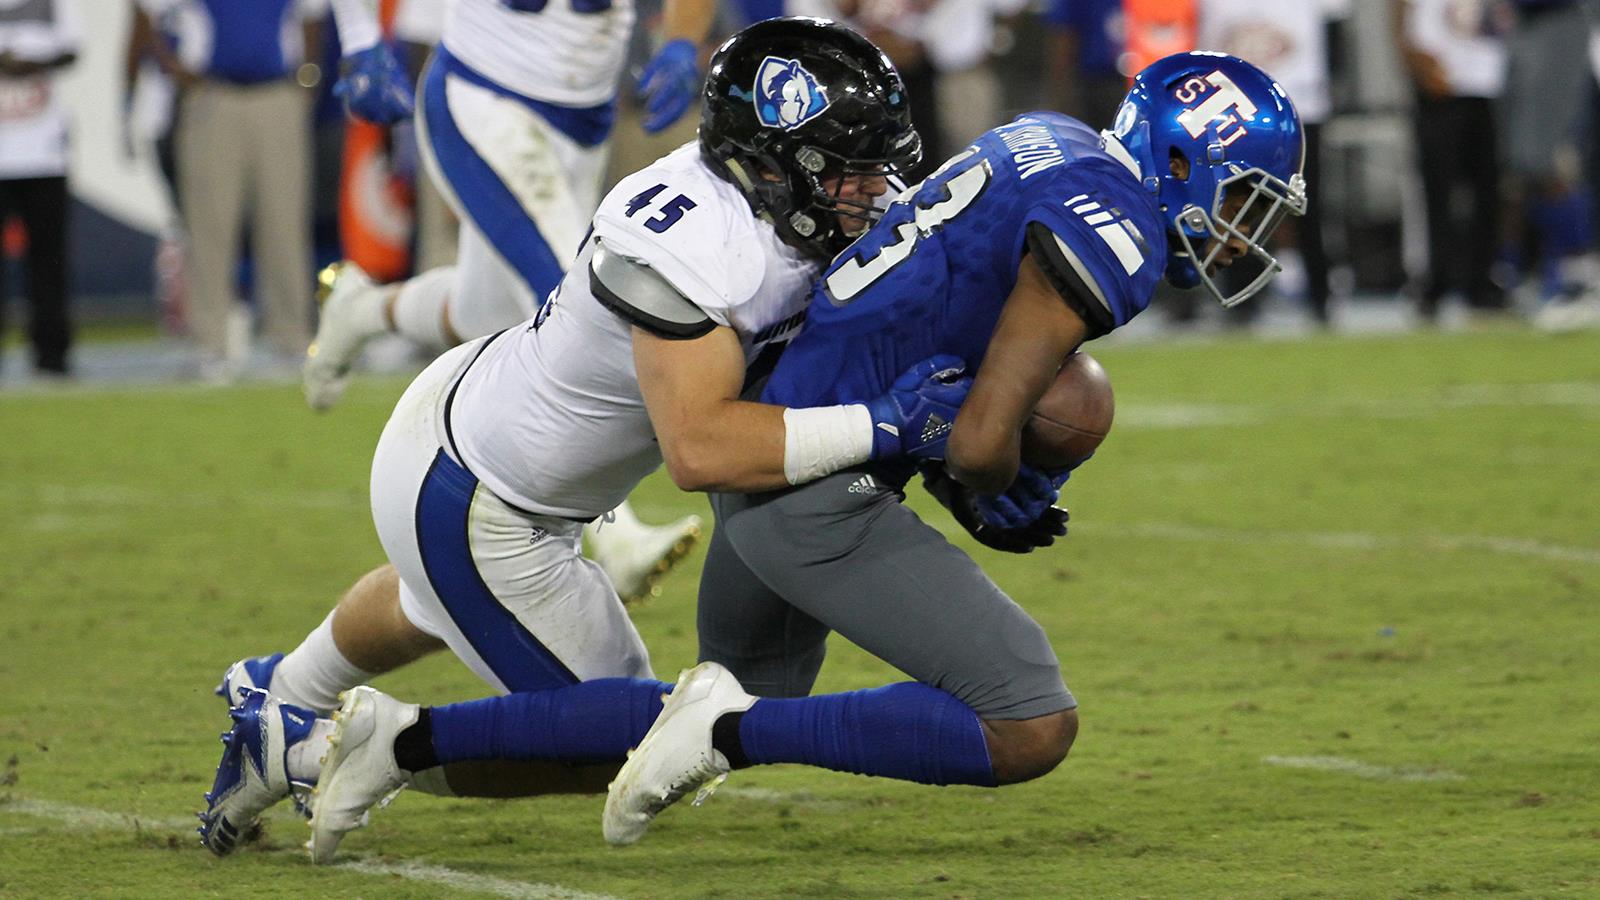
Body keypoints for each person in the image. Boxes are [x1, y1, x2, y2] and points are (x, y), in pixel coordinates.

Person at [288, 47, 1306, 858]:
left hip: (783, 453)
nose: (1242, 232)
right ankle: (719, 729)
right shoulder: (1114, 225)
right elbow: (975, 437)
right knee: (1028, 722)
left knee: (649, 720)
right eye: (1242, 199)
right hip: (765, 474)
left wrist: (969, 460)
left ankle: (397, 742)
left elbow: (953, 355)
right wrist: (997, 484)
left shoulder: (1055, 138)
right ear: (1182, 165)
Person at [197, 18, 962, 858]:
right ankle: (332, 752)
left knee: (439, 602)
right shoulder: (696, 247)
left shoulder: (775, 206)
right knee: (620, 735)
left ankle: (282, 690)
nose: (875, 188)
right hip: (479, 496)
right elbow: (700, 451)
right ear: (775, 164)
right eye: (850, 168)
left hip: (476, 430)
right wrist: (884, 427)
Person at [307, 0, 719, 600]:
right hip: (485, 95)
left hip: (585, 115)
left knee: (482, 312)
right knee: (573, 298)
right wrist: (361, 39)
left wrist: (682, 41)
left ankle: (360, 310)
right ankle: (617, 537)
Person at [130, 0, 329, 383]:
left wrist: (306, 78)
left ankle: (291, 336)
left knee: (284, 224)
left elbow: (312, 16)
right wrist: (174, 68)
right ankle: (210, 342)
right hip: (212, 95)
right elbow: (147, 13)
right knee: (209, 228)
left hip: (276, 94)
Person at [1392, 0, 1508, 320]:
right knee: (1436, 190)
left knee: (1487, 189)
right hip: (1438, 80)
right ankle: (1435, 280)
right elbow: (1400, 11)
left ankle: (1481, 280)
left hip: (1485, 81)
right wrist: (1410, 59)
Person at [0, 0, 79, 378]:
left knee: (50, 260)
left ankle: (52, 355)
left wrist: (31, 63)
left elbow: (73, 48)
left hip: (44, 153)